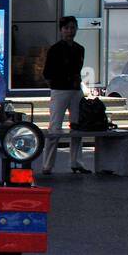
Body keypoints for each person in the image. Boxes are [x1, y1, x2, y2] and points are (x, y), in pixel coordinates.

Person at [40, 15, 87, 174]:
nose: (70, 31)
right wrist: (55, 86)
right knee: (55, 127)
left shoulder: (80, 49)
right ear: (61, 30)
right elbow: (47, 73)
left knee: (77, 126)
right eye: (66, 28)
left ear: (76, 29)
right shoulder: (55, 49)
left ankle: (76, 162)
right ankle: (48, 165)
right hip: (60, 90)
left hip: (76, 90)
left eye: (72, 28)